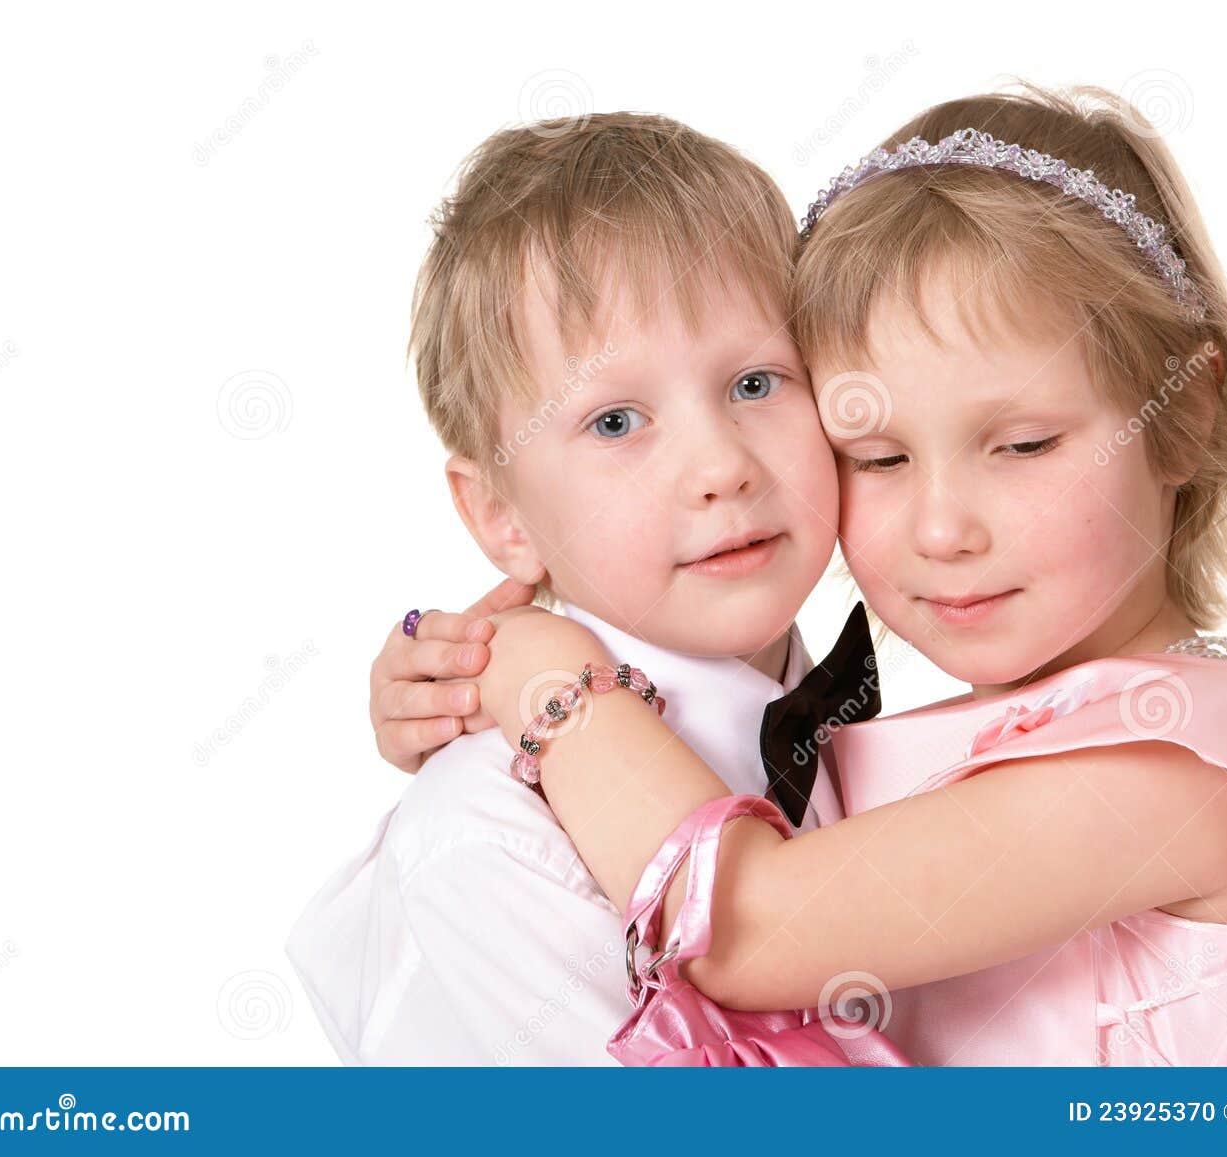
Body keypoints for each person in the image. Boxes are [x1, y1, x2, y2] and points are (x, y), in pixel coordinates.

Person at [387, 86, 1227, 1066]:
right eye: (878, 457)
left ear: (1180, 416)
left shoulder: (1182, 766)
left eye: (1022, 444)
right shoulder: (881, 748)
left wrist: (546, 679)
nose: (941, 528)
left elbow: (748, 928)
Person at [286, 111, 854, 1064]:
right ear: (502, 516)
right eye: (617, 420)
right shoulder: (489, 839)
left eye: (756, 384)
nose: (720, 465)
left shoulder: (876, 738)